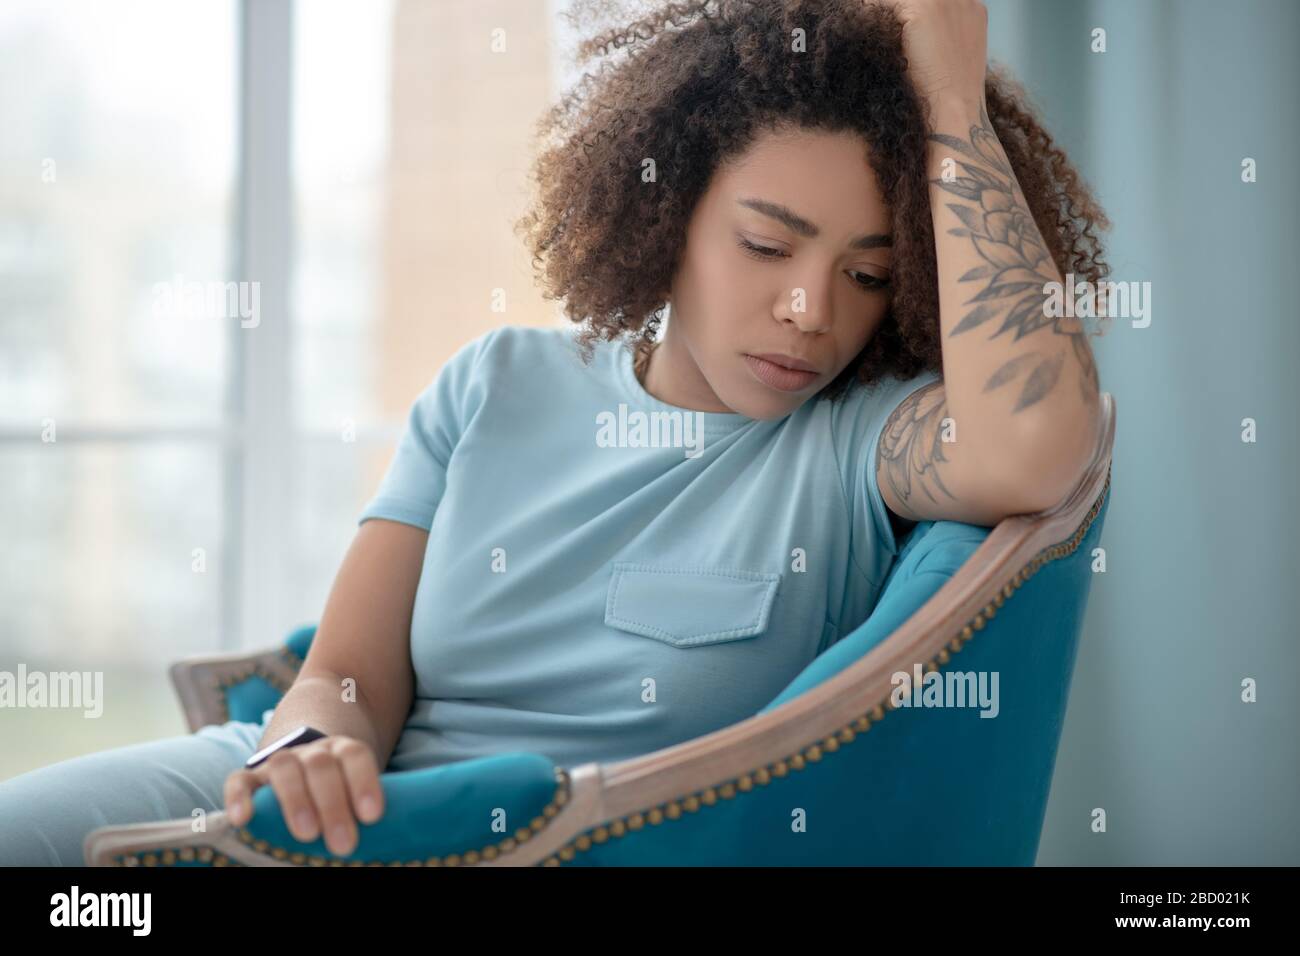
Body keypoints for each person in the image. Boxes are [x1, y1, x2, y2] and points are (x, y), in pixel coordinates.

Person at [0, 0, 1109, 866]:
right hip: (306, 800)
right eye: (767, 246)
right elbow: (345, 668)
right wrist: (311, 745)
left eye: (867, 273)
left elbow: (1039, 446)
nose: (811, 310)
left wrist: (951, 105)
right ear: (668, 213)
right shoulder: (493, 382)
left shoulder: (858, 445)